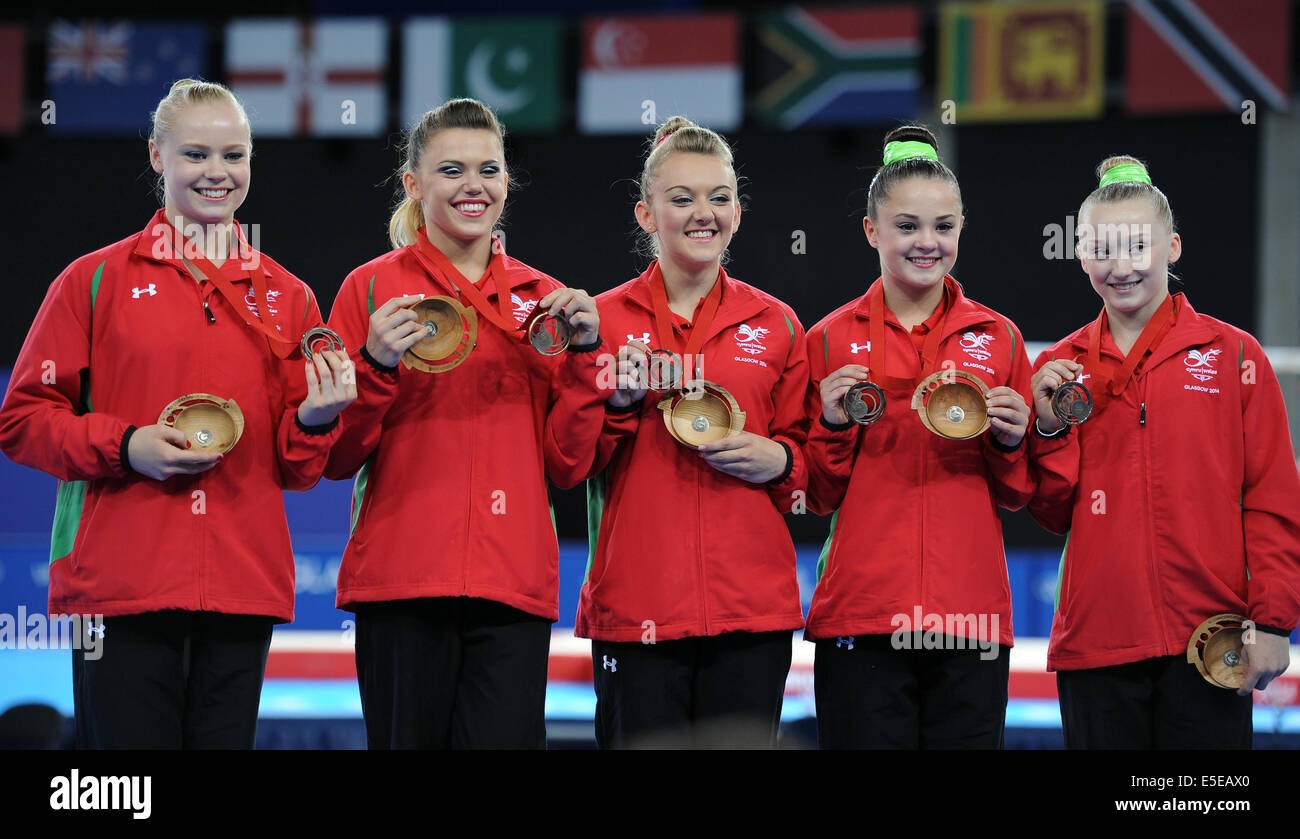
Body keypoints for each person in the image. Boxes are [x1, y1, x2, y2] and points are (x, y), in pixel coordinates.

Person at [0, 78, 354, 748]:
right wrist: (126, 444)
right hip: (119, 589)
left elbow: (298, 467)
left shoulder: (290, 297)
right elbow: (21, 419)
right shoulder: (92, 281)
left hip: (240, 592)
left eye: (234, 155)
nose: (217, 173)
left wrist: (315, 420)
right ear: (159, 157)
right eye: (196, 154)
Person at [324, 98, 608, 749]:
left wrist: (589, 359)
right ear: (414, 185)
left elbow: (567, 465)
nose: (473, 186)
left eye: (489, 169)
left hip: (512, 585)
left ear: (507, 181)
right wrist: (373, 365)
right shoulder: (368, 291)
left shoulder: (548, 302)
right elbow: (335, 456)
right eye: (451, 169)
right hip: (401, 582)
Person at [1028, 155, 1300, 749]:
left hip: (1212, 641)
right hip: (1098, 642)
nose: (1120, 266)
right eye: (1101, 249)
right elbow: (1050, 511)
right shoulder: (1059, 369)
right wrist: (1047, 430)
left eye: (1137, 246)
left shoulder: (1235, 355)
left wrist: (1276, 621)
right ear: (1081, 257)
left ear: (1172, 247)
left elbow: (1273, 497)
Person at [577, 116, 809, 749]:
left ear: (738, 209)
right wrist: (620, 402)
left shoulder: (778, 322)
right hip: (636, 605)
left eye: (719, 197)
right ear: (647, 215)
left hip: (750, 611)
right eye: (681, 199)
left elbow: (817, 468)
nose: (703, 213)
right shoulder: (598, 321)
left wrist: (782, 459)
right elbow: (565, 462)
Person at [803, 125, 1034, 749]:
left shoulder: (1003, 339)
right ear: (872, 232)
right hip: (863, 611)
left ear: (962, 227)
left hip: (971, 614)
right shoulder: (825, 340)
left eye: (943, 226)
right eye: (906, 227)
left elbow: (1017, 494)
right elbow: (816, 494)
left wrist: (1012, 443)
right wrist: (829, 424)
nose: (926, 243)